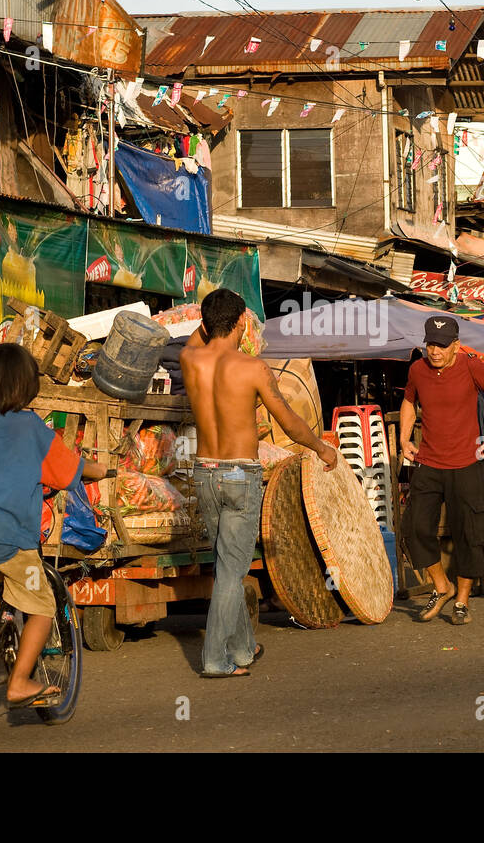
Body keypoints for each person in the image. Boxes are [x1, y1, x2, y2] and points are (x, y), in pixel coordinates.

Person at [181, 289, 340, 677]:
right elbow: (288, 422)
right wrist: (321, 448)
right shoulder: (252, 367)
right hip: (240, 476)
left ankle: (243, 648)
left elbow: (198, 335)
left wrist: (215, 322)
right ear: (241, 323)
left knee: (226, 566)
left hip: (204, 473)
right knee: (233, 571)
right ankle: (215, 659)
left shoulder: (189, 359)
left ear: (205, 323)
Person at [0, 343, 107, 706]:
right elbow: (70, 472)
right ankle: (19, 682)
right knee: (42, 605)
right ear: (24, 385)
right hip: (8, 538)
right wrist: (101, 469)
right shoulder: (31, 426)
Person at [398, 315, 484, 625]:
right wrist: (404, 438)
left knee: (470, 534)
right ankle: (441, 586)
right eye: (431, 345)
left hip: (467, 463)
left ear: (456, 346)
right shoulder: (417, 370)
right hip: (429, 462)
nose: (435, 351)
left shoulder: (470, 366)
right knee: (415, 527)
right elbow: (409, 401)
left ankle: (461, 599)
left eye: (442, 346)